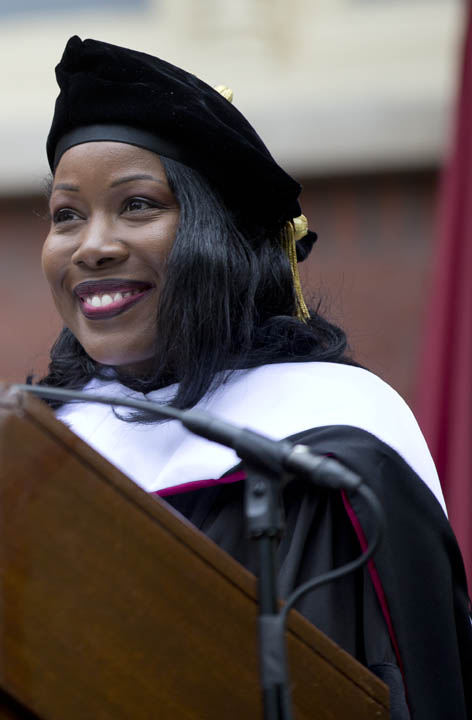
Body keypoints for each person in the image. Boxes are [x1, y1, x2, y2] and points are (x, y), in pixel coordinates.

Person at [37, 36, 472, 719]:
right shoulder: (35, 451)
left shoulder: (330, 446)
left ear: (222, 239)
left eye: (139, 205)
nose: (93, 245)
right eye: (67, 214)